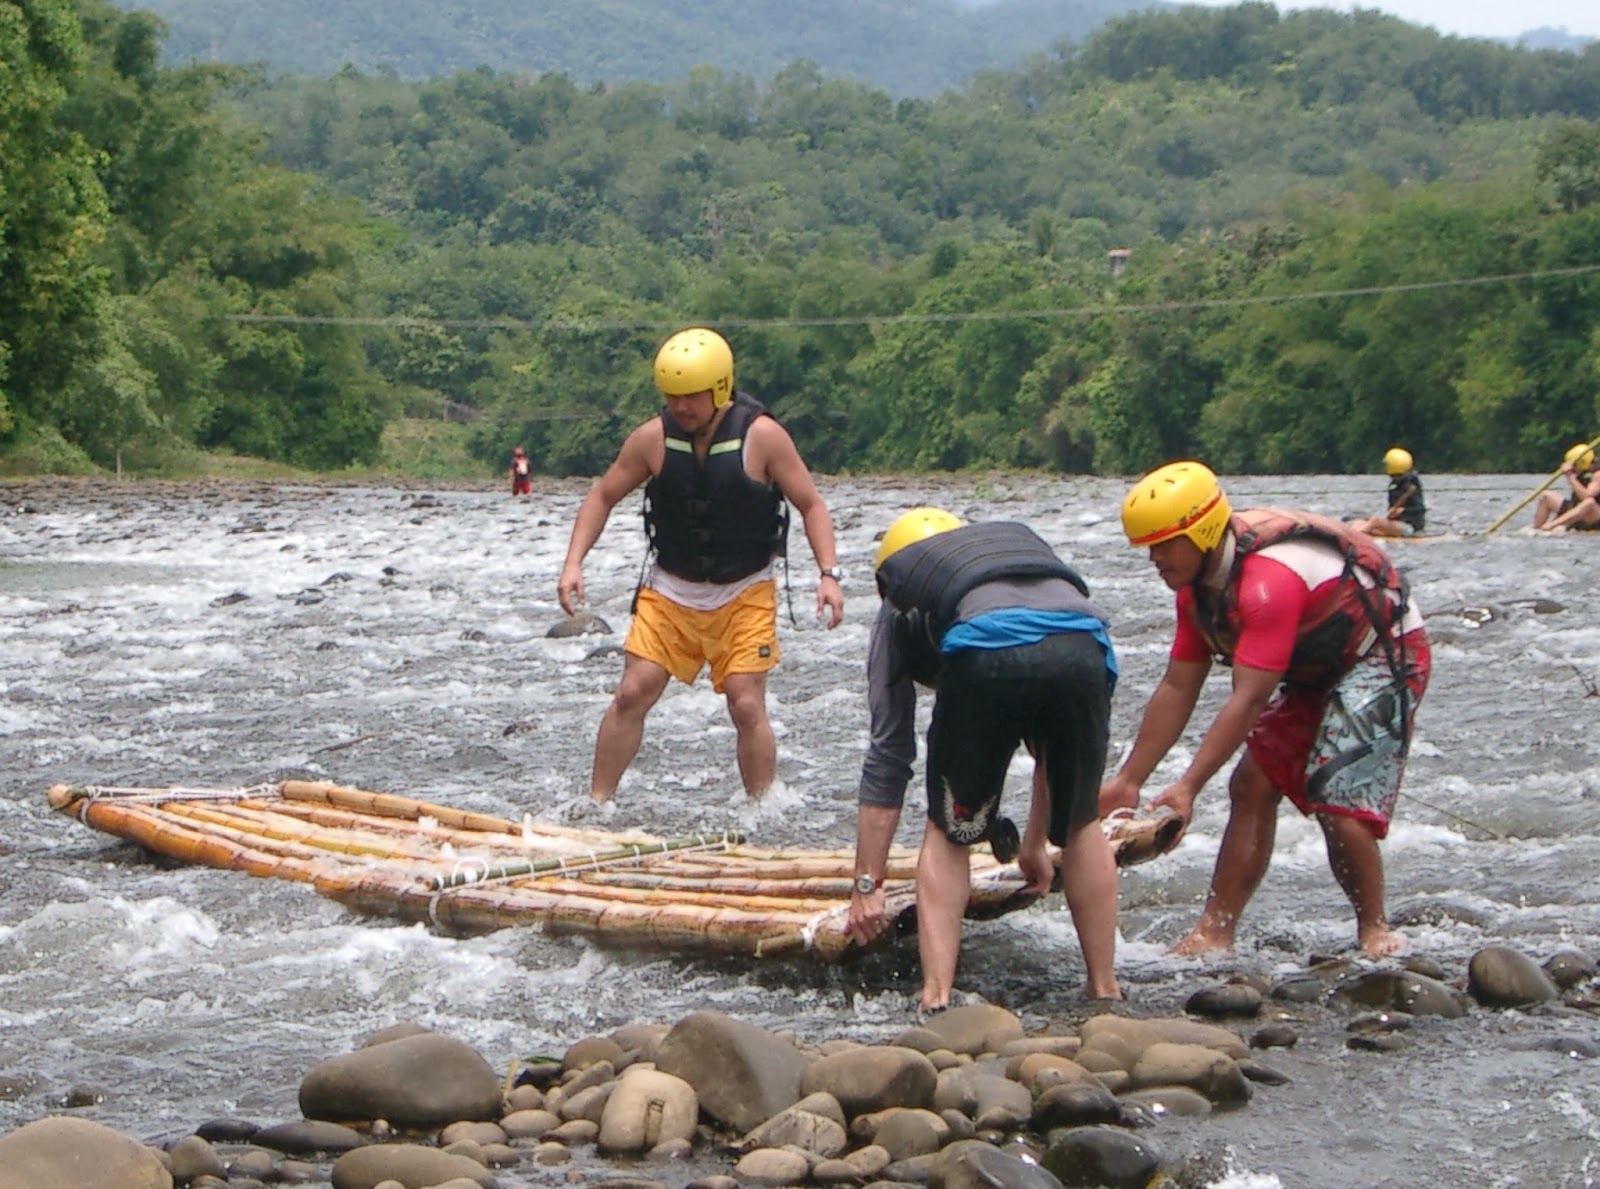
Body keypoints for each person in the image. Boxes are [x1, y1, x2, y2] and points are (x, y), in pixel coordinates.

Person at [1100, 461, 1430, 958]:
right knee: (1251, 784)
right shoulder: (1196, 591)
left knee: (1337, 798)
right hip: (1317, 666)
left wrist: (1188, 786)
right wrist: (1129, 779)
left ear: (1204, 532)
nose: (1154, 558)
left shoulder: (1266, 583)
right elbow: (1177, 685)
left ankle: (1375, 931)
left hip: (1384, 652)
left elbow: (1249, 699)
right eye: (1149, 546)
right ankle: (1215, 933)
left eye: (1165, 544)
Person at [847, 508, 1122, 1011]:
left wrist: (868, 884)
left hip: (987, 652)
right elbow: (1046, 745)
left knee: (953, 826)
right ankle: (1104, 989)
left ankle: (936, 999)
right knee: (1083, 822)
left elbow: (889, 752)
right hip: (1086, 646)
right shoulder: (1005, 560)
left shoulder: (900, 603)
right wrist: (1037, 844)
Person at [557, 327, 844, 804]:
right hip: (671, 591)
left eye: (690, 397)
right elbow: (603, 495)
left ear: (720, 390)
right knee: (632, 692)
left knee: (745, 702)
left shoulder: (763, 437)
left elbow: (812, 505)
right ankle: (597, 805)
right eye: (671, 397)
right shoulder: (652, 439)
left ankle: (763, 810)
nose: (680, 408)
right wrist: (573, 562)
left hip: (745, 592)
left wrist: (829, 575)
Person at [1351, 447, 1425, 538]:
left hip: (1410, 528)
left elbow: (1420, 509)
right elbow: (1392, 508)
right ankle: (1353, 533)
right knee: (1360, 522)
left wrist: (1403, 511)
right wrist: (1393, 512)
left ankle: (1353, 536)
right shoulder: (1394, 485)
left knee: (1375, 521)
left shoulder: (1412, 485)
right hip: (1396, 524)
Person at [1532, 442, 1600, 532]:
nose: (1572, 467)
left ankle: (1551, 525)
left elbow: (1586, 497)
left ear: (1582, 463)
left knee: (1589, 502)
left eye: (1574, 465)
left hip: (1593, 518)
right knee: (1546, 496)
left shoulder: (1597, 475)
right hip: (1575, 511)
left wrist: (1571, 477)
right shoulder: (1579, 472)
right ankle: (1536, 529)